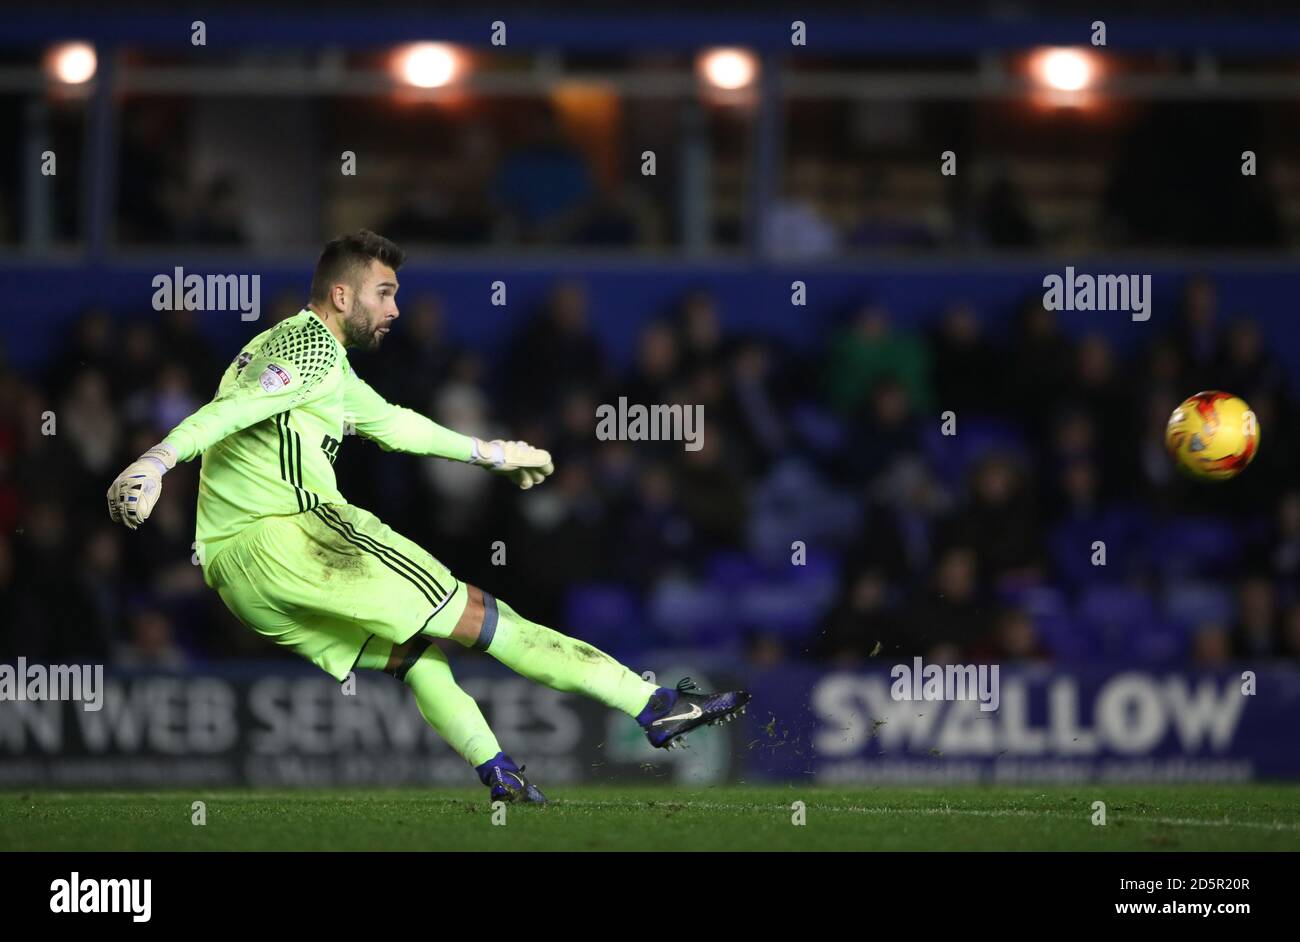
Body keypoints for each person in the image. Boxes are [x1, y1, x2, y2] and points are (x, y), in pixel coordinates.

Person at [106, 230, 749, 804]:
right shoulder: (307, 349)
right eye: (383, 294)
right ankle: (655, 705)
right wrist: (157, 461)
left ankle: (497, 768)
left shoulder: (308, 360)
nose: (394, 309)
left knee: (413, 655)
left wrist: (492, 452)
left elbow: (392, 424)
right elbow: (234, 410)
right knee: (487, 620)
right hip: (295, 535)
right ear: (339, 296)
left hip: (235, 572)